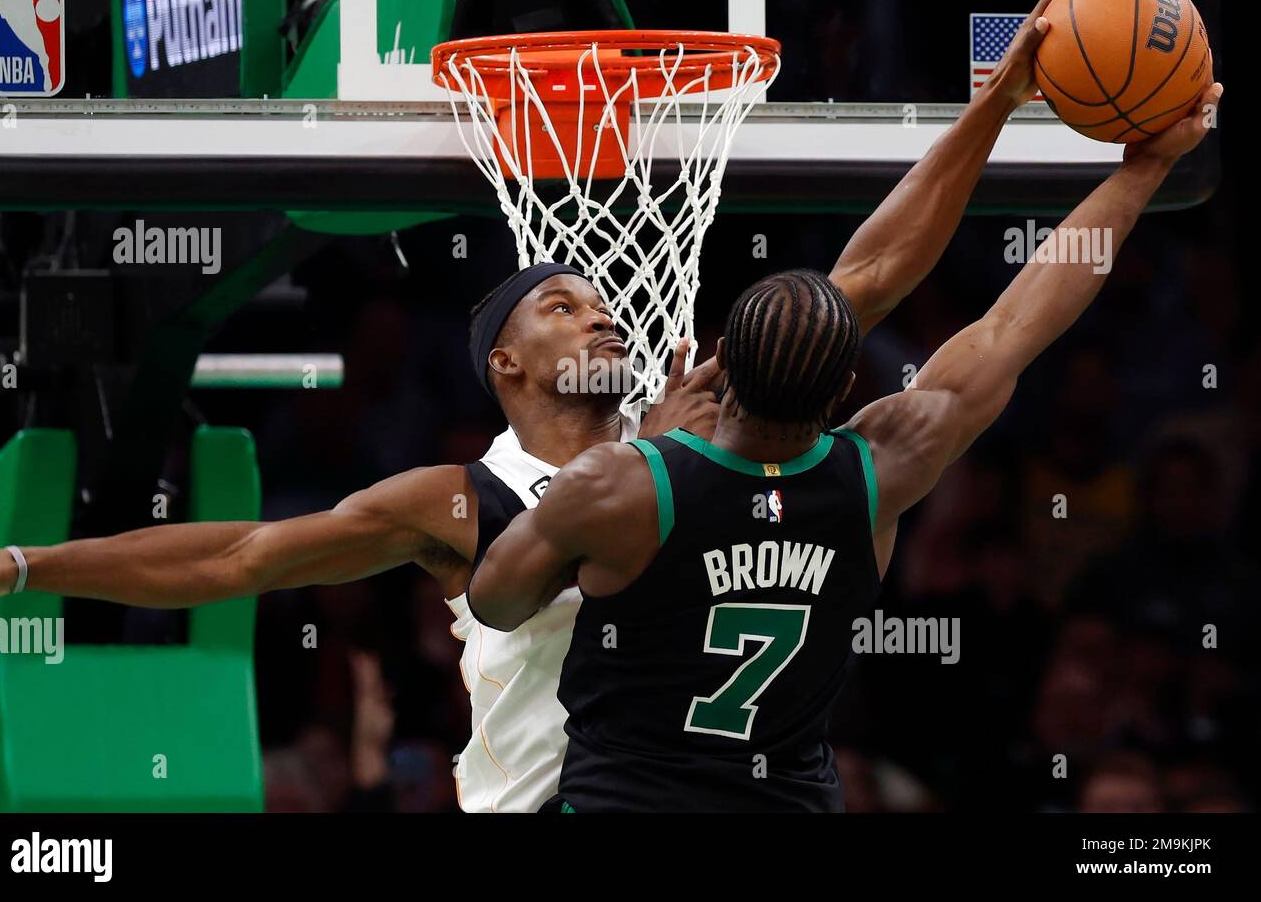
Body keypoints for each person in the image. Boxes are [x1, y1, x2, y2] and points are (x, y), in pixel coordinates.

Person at [0, 0, 1074, 812]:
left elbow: (871, 275)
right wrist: (24, 566)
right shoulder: (463, 501)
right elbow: (241, 557)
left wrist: (998, 99)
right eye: (558, 304)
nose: (597, 312)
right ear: (503, 363)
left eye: (599, 300)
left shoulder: (707, 420)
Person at [468, 80, 1224, 811]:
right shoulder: (879, 471)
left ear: (723, 356)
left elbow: (496, 602)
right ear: (842, 396)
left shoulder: (620, 484)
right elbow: (1014, 323)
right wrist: (1146, 167)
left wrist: (653, 454)